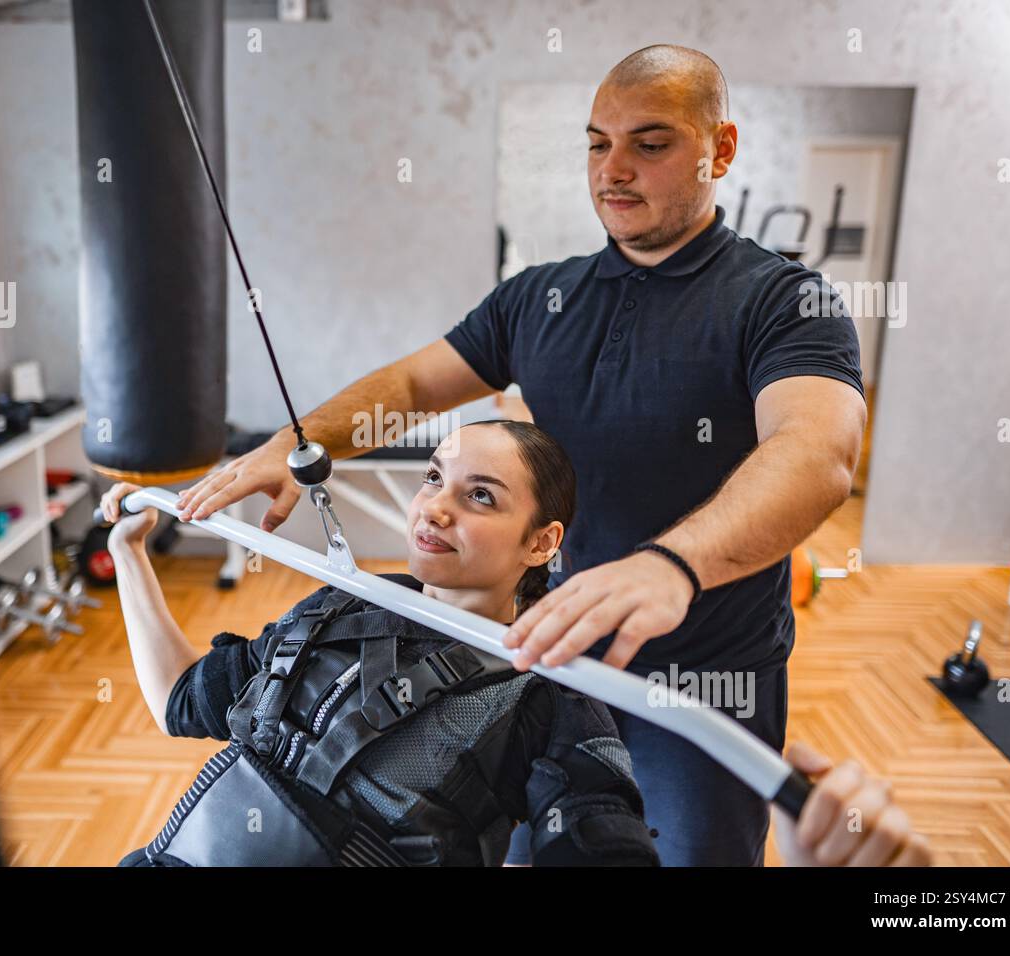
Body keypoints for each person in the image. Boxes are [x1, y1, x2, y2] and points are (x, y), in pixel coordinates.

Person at [172, 44, 867, 866]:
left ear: (720, 150)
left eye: (650, 144)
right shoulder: (540, 296)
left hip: (703, 682)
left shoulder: (786, 300)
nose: (613, 169)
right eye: (596, 143)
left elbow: (818, 450)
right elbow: (408, 385)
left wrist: (670, 566)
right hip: (546, 659)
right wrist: (295, 443)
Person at [103, 420, 929, 867]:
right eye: (433, 479)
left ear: (542, 543)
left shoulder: (553, 700)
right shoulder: (340, 606)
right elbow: (184, 699)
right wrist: (129, 553)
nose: (433, 508)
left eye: (480, 496)